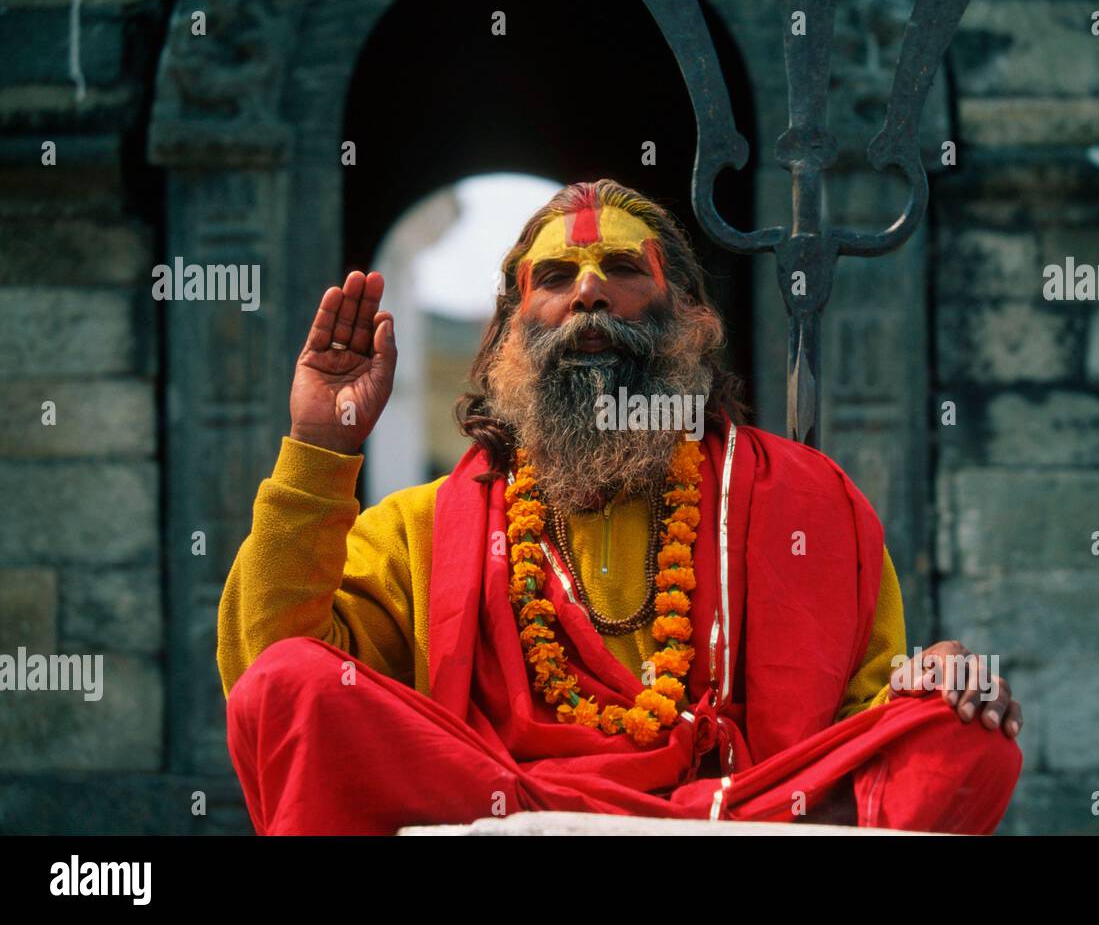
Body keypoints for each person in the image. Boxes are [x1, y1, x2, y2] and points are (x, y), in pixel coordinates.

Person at [218, 179, 1023, 835]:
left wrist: (932, 681)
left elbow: (864, 718)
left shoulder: (806, 500)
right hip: (498, 803)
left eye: (623, 270)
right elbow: (271, 674)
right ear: (508, 335)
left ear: (689, 322)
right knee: (290, 681)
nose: (591, 292)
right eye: (558, 278)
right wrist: (320, 445)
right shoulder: (417, 528)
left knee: (960, 736)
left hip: (741, 811)